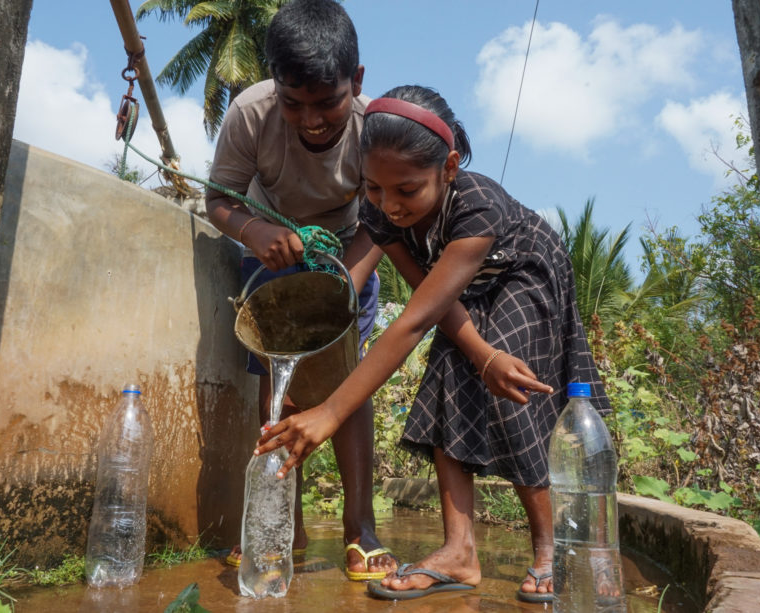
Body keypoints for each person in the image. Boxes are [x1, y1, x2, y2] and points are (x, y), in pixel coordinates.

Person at [255, 85, 612, 602]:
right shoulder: (379, 213)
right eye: (374, 188)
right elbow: (430, 296)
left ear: (448, 168)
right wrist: (477, 354)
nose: (389, 205)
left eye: (407, 189)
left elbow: (413, 320)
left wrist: (330, 412)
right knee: (449, 372)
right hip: (454, 294)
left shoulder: (478, 208)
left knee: (513, 391)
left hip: (521, 271)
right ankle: (459, 551)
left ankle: (550, 549)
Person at [204, 0, 397, 582]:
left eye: (327, 102)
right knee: (277, 394)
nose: (311, 119)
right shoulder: (250, 113)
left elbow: (382, 220)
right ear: (274, 85)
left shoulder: (371, 128)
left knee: (347, 389)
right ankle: (280, 524)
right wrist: (254, 230)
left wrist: (344, 285)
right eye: (294, 103)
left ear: (355, 81)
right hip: (270, 260)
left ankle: (360, 529)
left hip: (347, 257)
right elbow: (219, 199)